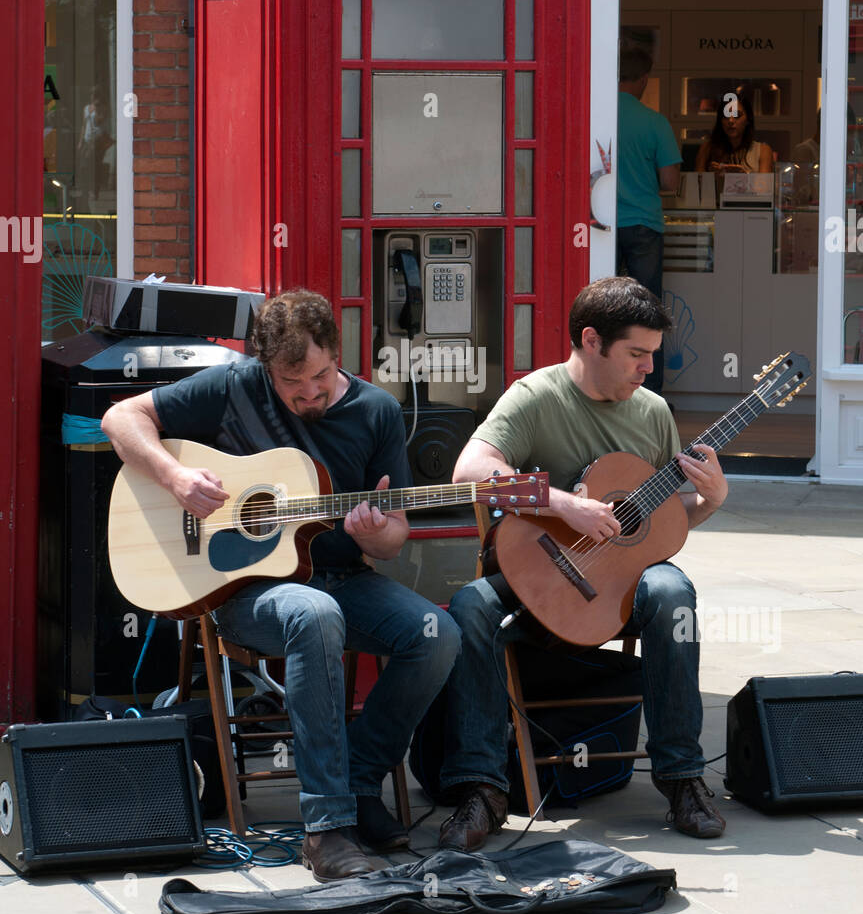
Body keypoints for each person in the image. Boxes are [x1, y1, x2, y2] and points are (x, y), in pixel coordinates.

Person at [101, 289, 461, 882]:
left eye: (320, 374)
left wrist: (373, 534)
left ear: (336, 353)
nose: (310, 392)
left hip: (345, 577)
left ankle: (357, 782)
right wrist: (176, 477)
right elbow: (121, 418)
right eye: (293, 382)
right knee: (314, 612)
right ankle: (326, 830)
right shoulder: (233, 386)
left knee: (437, 631)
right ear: (266, 367)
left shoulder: (376, 411)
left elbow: (394, 538)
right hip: (246, 593)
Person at [438, 276, 729, 852]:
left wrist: (710, 500)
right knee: (470, 604)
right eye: (637, 355)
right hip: (537, 574)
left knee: (673, 592)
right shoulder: (535, 397)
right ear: (591, 341)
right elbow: (468, 473)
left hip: (619, 581)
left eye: (652, 355)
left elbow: (661, 527)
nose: (648, 369)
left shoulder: (652, 413)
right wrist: (564, 504)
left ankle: (681, 778)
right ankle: (482, 788)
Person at [616, 47, 681, 395]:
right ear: (643, 80)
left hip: (602, 227)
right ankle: (649, 392)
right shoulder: (655, 122)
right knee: (648, 311)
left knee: (604, 311)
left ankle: (606, 386)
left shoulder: (597, 116)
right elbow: (671, 182)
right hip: (644, 224)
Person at [694, 88, 774, 175]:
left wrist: (743, 176)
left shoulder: (762, 151)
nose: (731, 121)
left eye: (737, 115)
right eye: (726, 116)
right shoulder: (707, 149)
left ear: (748, 120)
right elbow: (698, 185)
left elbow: (765, 187)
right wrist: (712, 178)